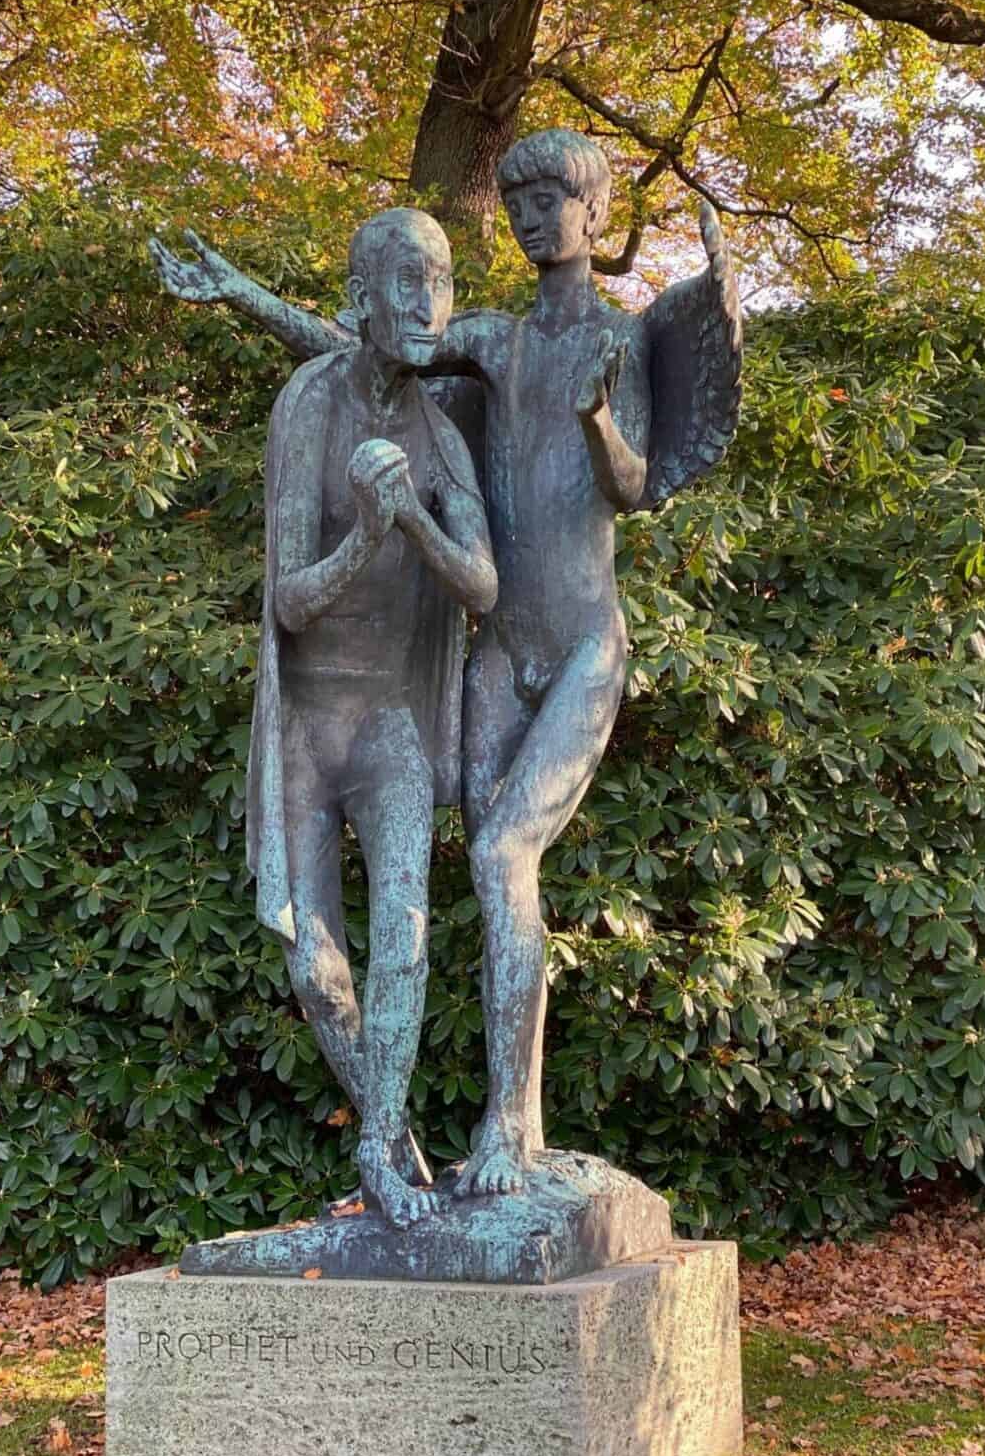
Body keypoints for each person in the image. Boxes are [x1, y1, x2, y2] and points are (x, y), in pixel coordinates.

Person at [153, 131, 741, 1203]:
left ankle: (508, 1124)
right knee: (477, 859)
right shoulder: (492, 340)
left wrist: (601, 420)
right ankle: (473, 1127)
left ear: (594, 213)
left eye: (550, 198)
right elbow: (363, 346)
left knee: (504, 850)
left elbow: (635, 482)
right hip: (501, 647)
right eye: (514, 201)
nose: (529, 217)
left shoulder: (616, 339)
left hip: (577, 649)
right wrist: (239, 293)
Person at [247, 207, 497, 1227]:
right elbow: (289, 600)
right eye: (404, 277)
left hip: (388, 723)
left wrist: (415, 522)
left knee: (403, 933)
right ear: (359, 295)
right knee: (315, 968)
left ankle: (377, 1155)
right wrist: (364, 533)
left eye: (437, 277)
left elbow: (479, 585)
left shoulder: (437, 433)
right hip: (309, 727)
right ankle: (391, 1137)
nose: (423, 300)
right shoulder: (308, 406)